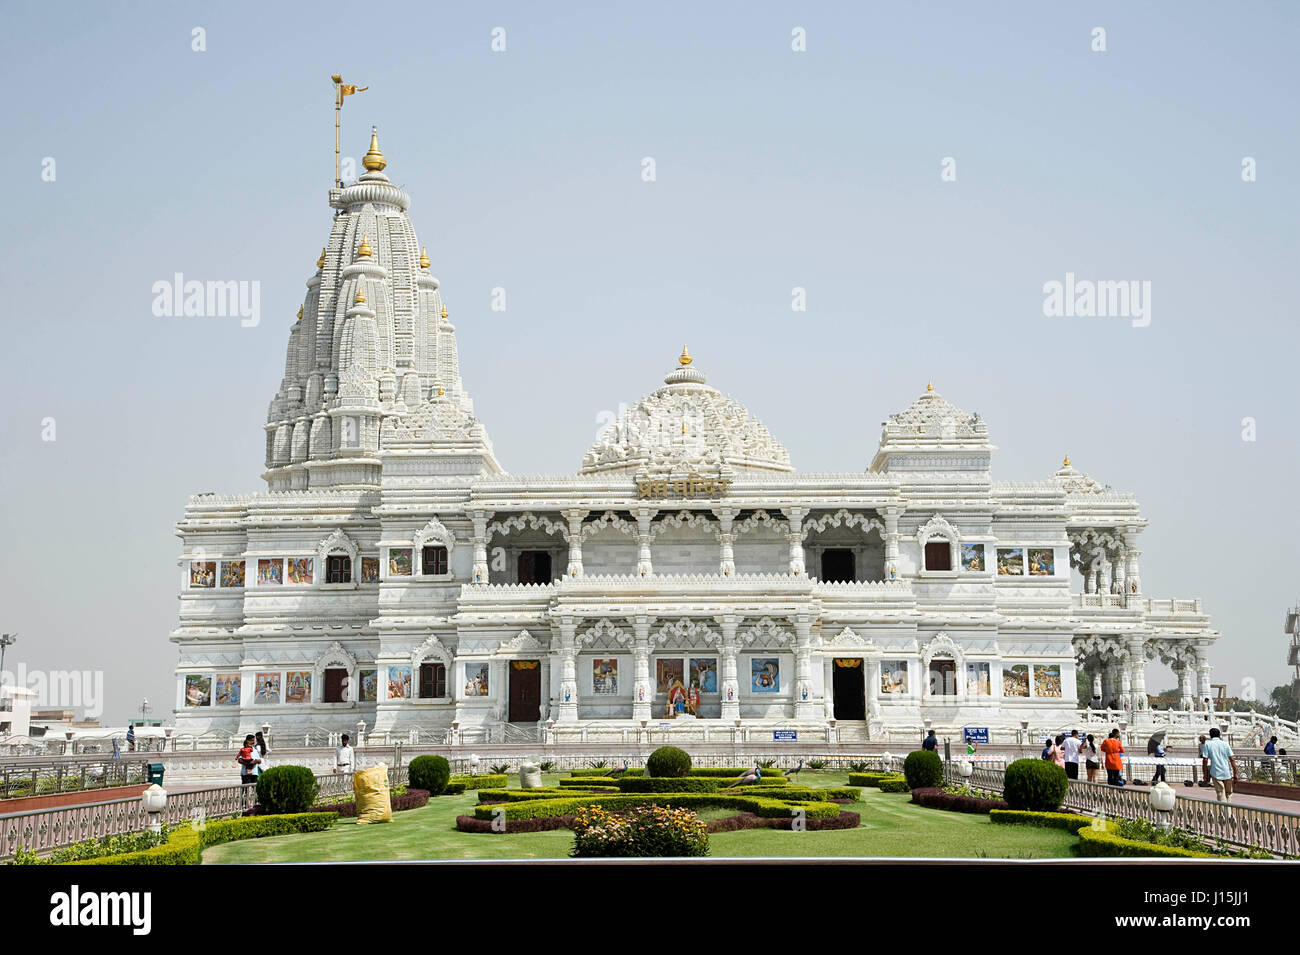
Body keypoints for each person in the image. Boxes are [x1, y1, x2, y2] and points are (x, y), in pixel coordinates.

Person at [1202, 727, 1238, 802]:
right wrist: (1235, 773)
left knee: (1221, 794)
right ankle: (1229, 811)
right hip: (1227, 772)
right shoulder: (1225, 744)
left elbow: (1205, 760)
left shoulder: (1208, 745)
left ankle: (1226, 813)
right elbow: (1232, 759)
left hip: (1216, 772)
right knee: (1228, 793)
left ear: (1210, 735)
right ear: (1219, 735)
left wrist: (1205, 774)